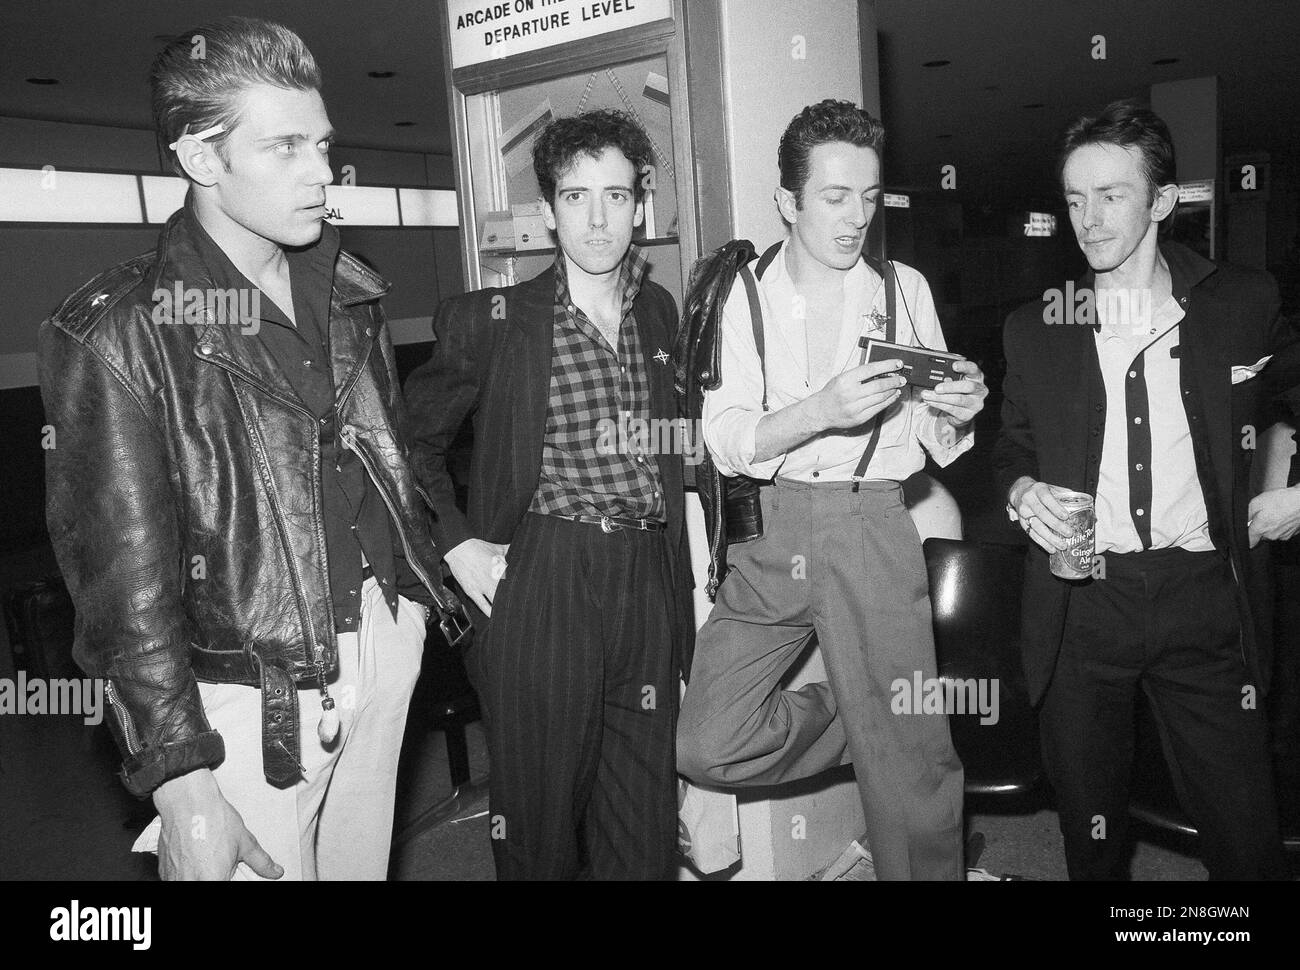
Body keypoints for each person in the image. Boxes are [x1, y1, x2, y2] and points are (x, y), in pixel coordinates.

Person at [39, 16, 465, 881]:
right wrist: (179, 781)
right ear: (203, 160)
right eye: (285, 148)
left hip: (379, 651)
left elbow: (393, 451)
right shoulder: (119, 333)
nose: (323, 173)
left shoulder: (352, 288)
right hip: (242, 695)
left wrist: (421, 590)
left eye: (323, 143)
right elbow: (121, 586)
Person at [674, 99, 986, 881]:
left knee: (912, 778)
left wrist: (959, 411)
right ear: (788, 201)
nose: (857, 219)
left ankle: (896, 749)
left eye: (871, 197)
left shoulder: (903, 287)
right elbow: (726, 437)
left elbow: (934, 439)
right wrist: (819, 411)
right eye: (835, 197)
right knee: (707, 741)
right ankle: (864, 719)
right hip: (771, 533)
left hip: (873, 524)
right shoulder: (740, 294)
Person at [994, 98, 1300, 879]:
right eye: (1073, 199)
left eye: (1111, 195)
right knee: (1089, 835)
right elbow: (1011, 451)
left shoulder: (1240, 302)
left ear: (1163, 201)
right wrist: (1023, 490)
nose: (1087, 220)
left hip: (1205, 596)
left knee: (1246, 835)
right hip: (1085, 603)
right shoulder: (1036, 327)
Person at [403, 110, 694, 880]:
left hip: (646, 581)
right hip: (545, 576)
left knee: (644, 820)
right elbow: (403, 444)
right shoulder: (492, 321)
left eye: (617, 196)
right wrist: (457, 542)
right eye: (575, 197)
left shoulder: (661, 315)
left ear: (642, 205)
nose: (598, 219)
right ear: (546, 212)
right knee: (537, 827)